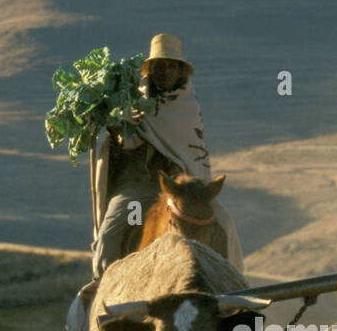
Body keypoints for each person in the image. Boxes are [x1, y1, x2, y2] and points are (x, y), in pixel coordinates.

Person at [88, 32, 243, 277]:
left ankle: (235, 287)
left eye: (172, 67)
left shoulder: (187, 105)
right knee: (112, 230)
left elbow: (190, 151)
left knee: (225, 222)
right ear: (150, 70)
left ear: (180, 71)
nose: (166, 72)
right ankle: (102, 286)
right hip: (138, 188)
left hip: (183, 189)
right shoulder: (132, 100)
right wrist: (116, 128)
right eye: (160, 66)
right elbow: (126, 144)